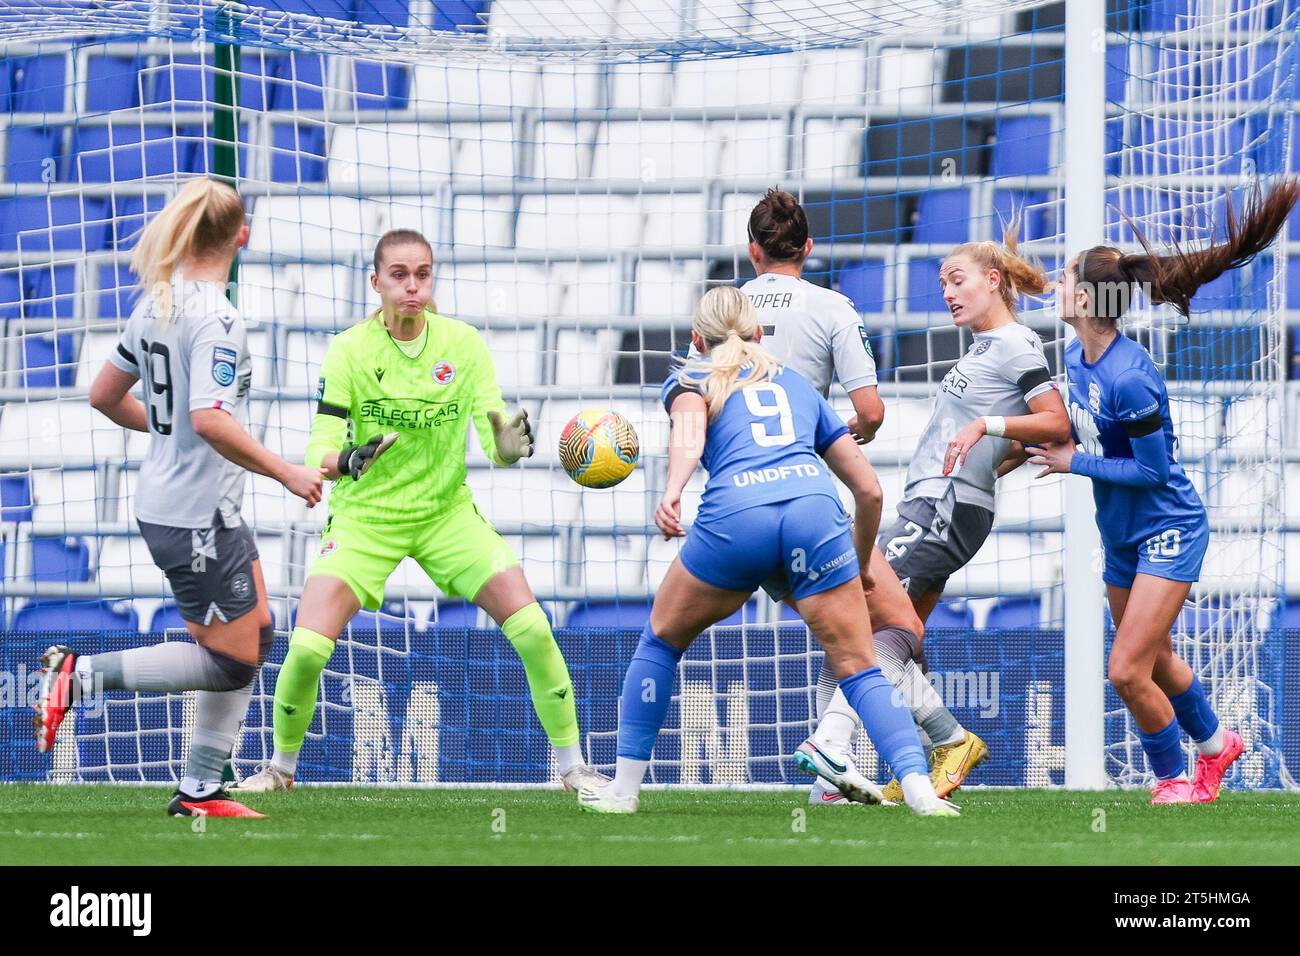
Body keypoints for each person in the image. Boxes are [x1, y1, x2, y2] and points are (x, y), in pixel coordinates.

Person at [235, 229, 607, 793]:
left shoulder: (464, 345)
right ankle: (279, 770)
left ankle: (574, 768)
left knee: (532, 627)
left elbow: (495, 440)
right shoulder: (349, 351)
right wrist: (347, 458)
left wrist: (509, 445)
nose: (413, 287)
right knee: (308, 649)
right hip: (366, 518)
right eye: (400, 275)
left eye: (424, 274)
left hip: (445, 514)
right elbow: (318, 451)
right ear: (377, 282)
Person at [577, 286, 956, 817]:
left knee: (661, 640)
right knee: (860, 664)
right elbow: (869, 489)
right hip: (813, 514)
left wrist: (672, 490)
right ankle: (919, 791)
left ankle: (623, 791)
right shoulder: (799, 385)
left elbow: (688, 430)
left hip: (738, 517)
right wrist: (861, 562)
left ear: (695, 340)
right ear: (758, 334)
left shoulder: (690, 377)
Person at [35, 177, 324, 818]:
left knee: (258, 637)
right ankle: (77, 679)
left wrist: (165, 429)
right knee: (230, 661)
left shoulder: (155, 305)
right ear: (241, 236)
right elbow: (210, 421)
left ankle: (201, 790)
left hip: (187, 505)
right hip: (196, 516)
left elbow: (103, 397)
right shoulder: (218, 318)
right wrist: (287, 471)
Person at [1030, 182, 1298, 803]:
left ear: (1090, 298)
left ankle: (1173, 777)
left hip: (1167, 528)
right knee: (1154, 659)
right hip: (1120, 532)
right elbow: (1083, 431)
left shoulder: (1130, 377)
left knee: (1125, 670)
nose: (1055, 284)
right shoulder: (1075, 357)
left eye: (1067, 277)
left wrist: (1075, 462)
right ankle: (1216, 746)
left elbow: (1152, 472)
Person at [735, 189, 932, 806]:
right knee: (896, 622)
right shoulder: (832, 307)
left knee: (840, 632)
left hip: (735, 506)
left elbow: (694, 401)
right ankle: (832, 739)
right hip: (806, 499)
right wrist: (840, 436)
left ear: (752, 250)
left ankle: (829, 782)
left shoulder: (723, 309)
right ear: (809, 249)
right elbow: (870, 410)